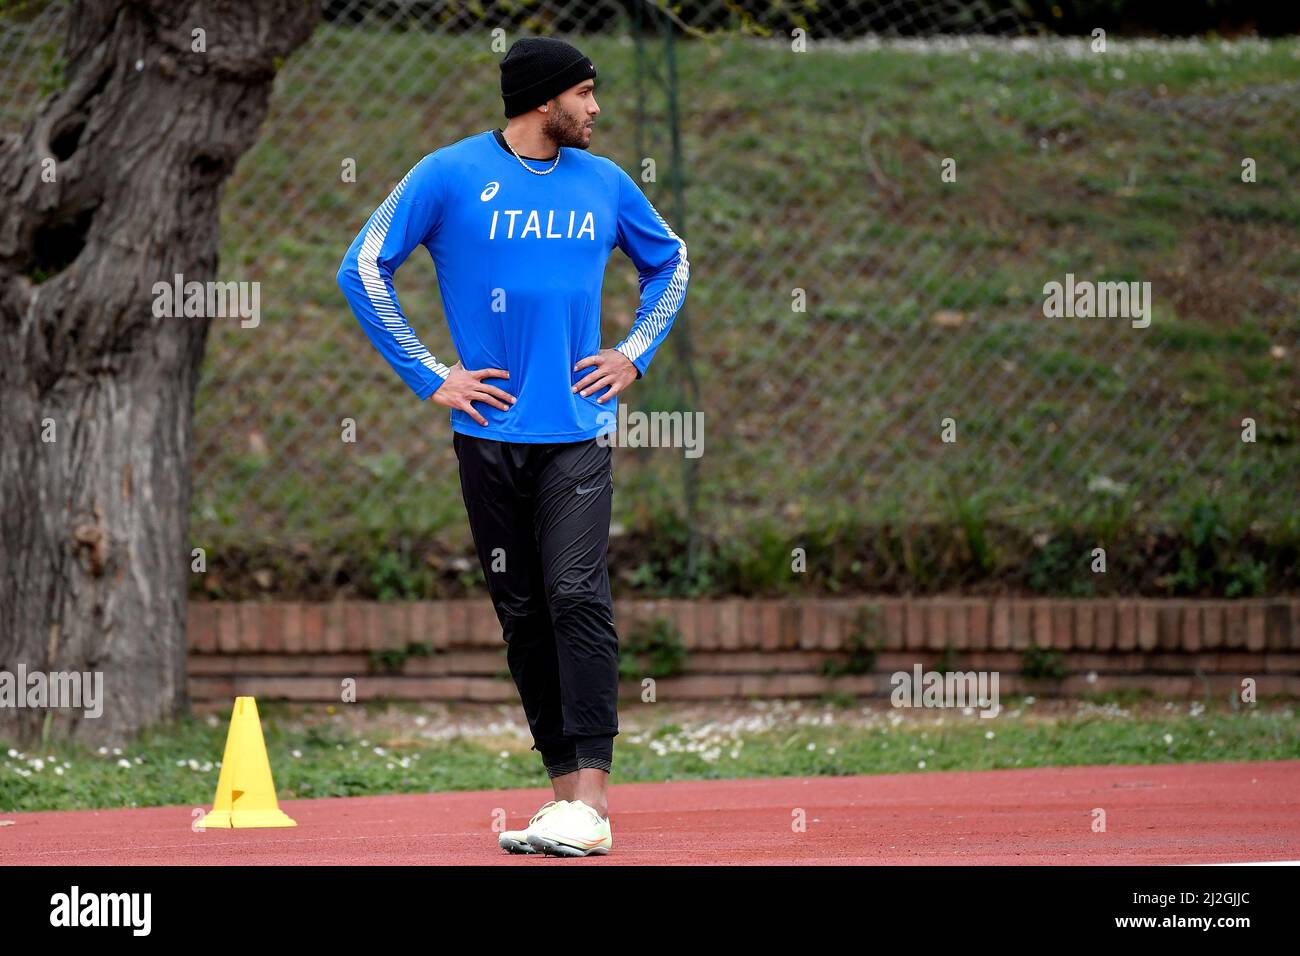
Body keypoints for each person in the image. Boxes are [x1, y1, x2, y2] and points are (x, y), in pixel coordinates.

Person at [336, 36, 690, 857]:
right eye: (586, 94)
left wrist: (633, 353)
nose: (597, 109)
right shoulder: (449, 174)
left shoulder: (605, 183)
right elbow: (362, 266)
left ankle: (593, 801)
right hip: (486, 436)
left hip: (575, 433)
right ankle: (566, 802)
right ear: (542, 101)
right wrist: (432, 376)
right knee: (523, 611)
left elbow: (669, 263)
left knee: (575, 592)